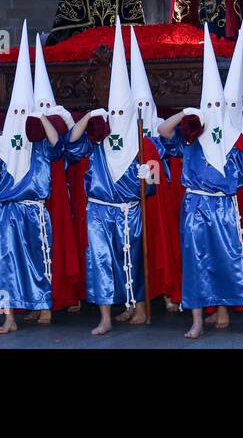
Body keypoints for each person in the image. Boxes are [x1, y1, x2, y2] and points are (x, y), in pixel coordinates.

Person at [157, 25, 243, 340]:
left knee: (225, 256)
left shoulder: (232, 138)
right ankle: (197, 319)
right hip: (195, 204)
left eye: (216, 106)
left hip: (224, 206)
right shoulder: (191, 136)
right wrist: (185, 112)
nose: (212, 111)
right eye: (207, 106)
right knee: (195, 259)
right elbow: (162, 132)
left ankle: (223, 310)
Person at [69, 22, 157, 334]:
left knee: (132, 260)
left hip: (131, 210)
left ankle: (138, 306)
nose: (117, 118)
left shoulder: (141, 139)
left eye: (123, 112)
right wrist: (89, 117)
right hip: (99, 210)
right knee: (101, 264)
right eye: (113, 112)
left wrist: (151, 173)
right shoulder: (98, 136)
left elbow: (160, 176)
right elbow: (70, 144)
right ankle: (104, 317)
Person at [0, 25, 61, 334]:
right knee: (7, 263)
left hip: (34, 209)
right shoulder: (3, 145)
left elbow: (57, 145)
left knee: (40, 258)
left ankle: (43, 305)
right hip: (7, 212)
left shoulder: (38, 143)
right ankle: (9, 316)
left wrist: (41, 117)